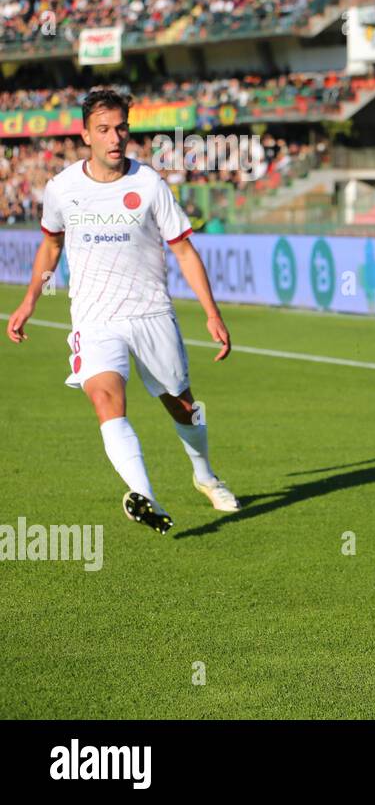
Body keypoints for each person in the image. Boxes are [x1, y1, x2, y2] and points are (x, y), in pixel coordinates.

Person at [5, 88, 239, 534]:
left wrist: (212, 312)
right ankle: (145, 496)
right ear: (85, 135)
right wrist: (30, 300)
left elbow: (184, 251)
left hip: (150, 314)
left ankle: (205, 474)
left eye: (121, 128)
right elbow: (51, 245)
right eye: (104, 129)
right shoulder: (62, 188)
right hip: (94, 320)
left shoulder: (149, 184)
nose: (115, 138)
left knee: (183, 405)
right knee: (105, 398)